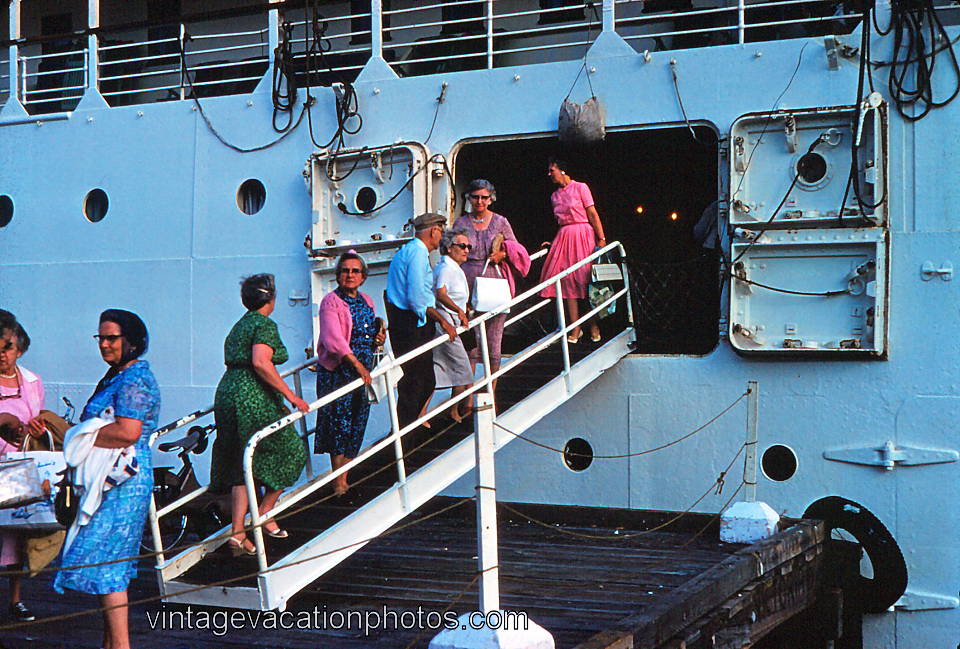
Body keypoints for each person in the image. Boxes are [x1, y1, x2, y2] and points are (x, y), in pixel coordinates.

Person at [53, 309, 161, 649]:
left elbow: (128, 431)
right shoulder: (119, 376)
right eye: (100, 338)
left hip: (121, 482)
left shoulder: (133, 379)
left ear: (131, 340)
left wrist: (74, 437)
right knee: (109, 564)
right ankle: (111, 643)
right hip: (115, 479)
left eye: (110, 338)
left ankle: (121, 645)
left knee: (109, 564)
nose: (103, 344)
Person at [209, 274, 309, 556]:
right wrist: (291, 396)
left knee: (244, 462)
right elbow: (261, 363)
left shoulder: (239, 326)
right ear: (272, 299)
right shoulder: (264, 324)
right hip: (250, 394)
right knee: (291, 450)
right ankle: (265, 512)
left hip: (228, 392)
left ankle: (238, 532)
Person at [315, 252, 386, 496]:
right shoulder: (330, 302)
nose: (350, 275)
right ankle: (338, 482)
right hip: (339, 372)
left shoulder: (367, 300)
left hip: (362, 372)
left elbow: (368, 332)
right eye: (345, 271)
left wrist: (379, 338)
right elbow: (333, 339)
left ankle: (344, 476)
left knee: (357, 422)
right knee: (339, 424)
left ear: (363, 277)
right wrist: (357, 366)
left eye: (355, 271)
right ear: (337, 275)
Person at [452, 179, 530, 395]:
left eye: (484, 197)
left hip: (493, 282)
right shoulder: (460, 223)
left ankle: (491, 391)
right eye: (475, 197)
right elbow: (450, 251)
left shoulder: (500, 221)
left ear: (491, 199)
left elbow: (516, 248)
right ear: (469, 198)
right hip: (466, 283)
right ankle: (467, 394)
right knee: (470, 341)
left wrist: (501, 254)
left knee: (494, 340)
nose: (479, 201)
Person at [385, 213, 458, 429]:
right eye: (441, 231)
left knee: (423, 382)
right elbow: (417, 299)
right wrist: (444, 322)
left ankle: (404, 434)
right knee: (417, 384)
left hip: (407, 325)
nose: (441, 236)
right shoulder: (417, 253)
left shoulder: (409, 251)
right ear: (433, 231)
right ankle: (403, 438)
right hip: (411, 327)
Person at [0, 314, 45, 622]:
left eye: (8, 346)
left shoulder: (33, 381)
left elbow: (35, 419)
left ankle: (15, 601)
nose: (2, 354)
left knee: (17, 532)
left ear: (20, 347)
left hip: (19, 468)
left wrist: (38, 430)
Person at [539, 158, 608, 343]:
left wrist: (601, 238)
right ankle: (575, 328)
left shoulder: (580, 187)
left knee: (585, 281)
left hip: (583, 234)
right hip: (564, 236)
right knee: (567, 282)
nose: (549, 173)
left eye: (551, 169)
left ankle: (593, 324)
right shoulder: (554, 196)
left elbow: (592, 213)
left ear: (562, 170)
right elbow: (561, 221)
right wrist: (553, 242)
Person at [431, 229, 475, 422]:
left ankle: (443, 410)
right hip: (446, 322)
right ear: (449, 248)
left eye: (468, 246)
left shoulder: (454, 267)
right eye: (462, 246)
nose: (466, 250)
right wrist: (459, 310)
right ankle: (453, 410)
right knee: (462, 367)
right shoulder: (446, 268)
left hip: (452, 322)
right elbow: (440, 293)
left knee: (444, 368)